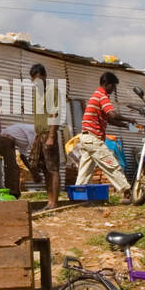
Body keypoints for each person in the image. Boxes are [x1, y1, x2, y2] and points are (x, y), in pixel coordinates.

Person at [76, 72, 131, 203]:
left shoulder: (96, 95)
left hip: (86, 138)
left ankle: (78, 195)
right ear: (106, 84)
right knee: (111, 164)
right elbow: (112, 115)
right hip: (93, 138)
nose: (113, 90)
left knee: (85, 170)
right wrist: (130, 119)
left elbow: (109, 119)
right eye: (113, 86)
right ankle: (127, 192)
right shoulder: (102, 96)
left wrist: (124, 125)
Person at [30, 63, 63, 208]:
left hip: (48, 135)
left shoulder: (52, 90)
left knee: (53, 169)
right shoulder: (36, 94)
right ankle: (49, 201)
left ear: (44, 76)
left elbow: (54, 114)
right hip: (40, 135)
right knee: (44, 169)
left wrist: (51, 136)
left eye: (38, 79)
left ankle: (54, 202)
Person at [0, 122, 37, 198]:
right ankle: (13, 193)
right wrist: (34, 172)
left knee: (10, 167)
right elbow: (34, 152)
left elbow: (23, 156)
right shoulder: (34, 132)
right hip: (5, 140)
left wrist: (32, 171)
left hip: (5, 140)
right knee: (12, 168)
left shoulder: (23, 140)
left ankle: (11, 192)